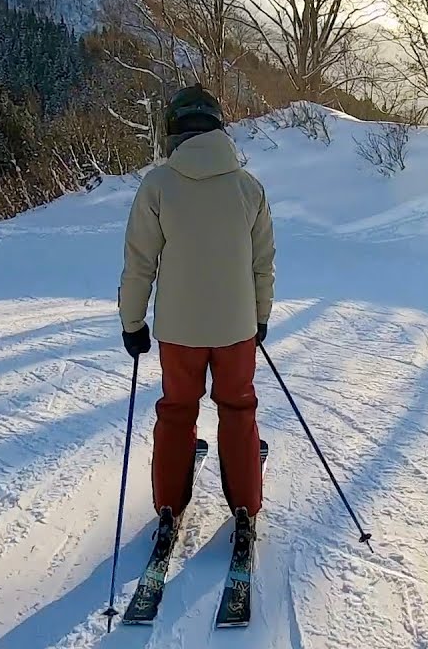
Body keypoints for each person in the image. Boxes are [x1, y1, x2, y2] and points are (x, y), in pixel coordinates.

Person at [118, 83, 275, 543]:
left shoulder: (158, 185)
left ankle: (169, 504)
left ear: (173, 133)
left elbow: (139, 262)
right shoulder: (249, 188)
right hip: (235, 329)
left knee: (177, 411)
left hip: (179, 330)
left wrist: (132, 322)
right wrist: (259, 317)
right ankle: (245, 506)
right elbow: (261, 263)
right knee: (239, 410)